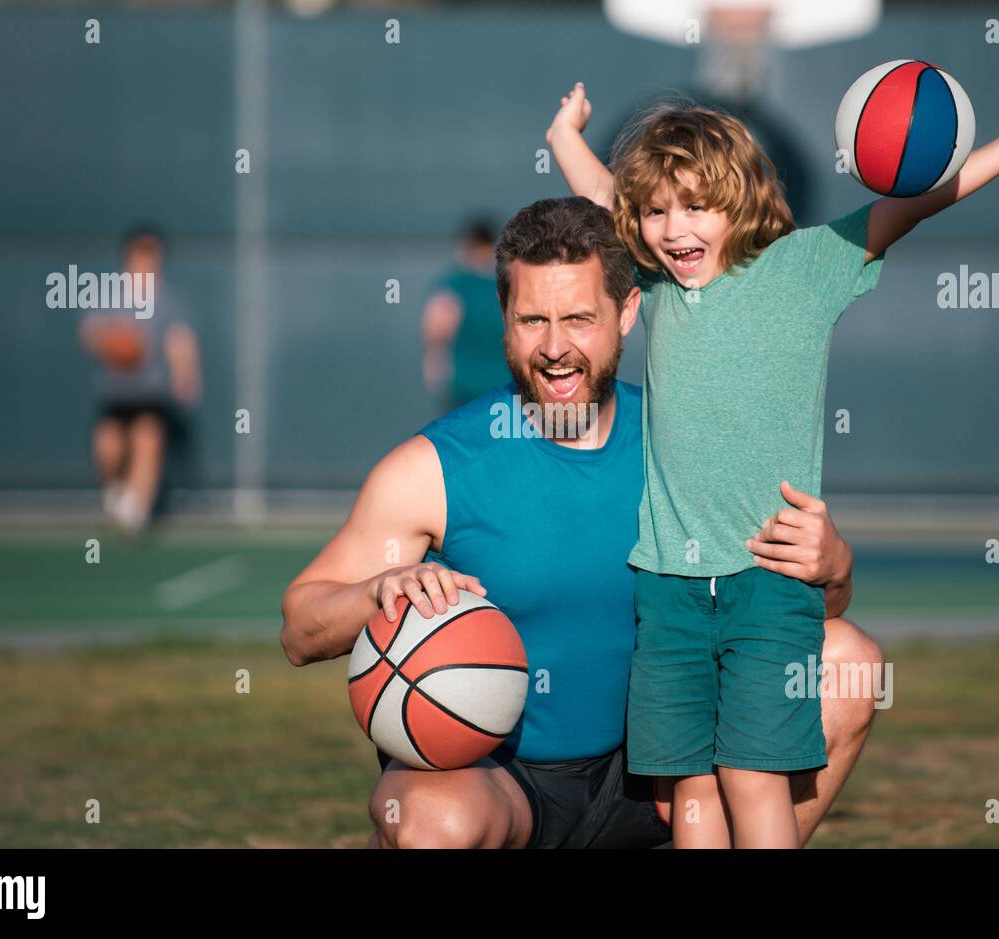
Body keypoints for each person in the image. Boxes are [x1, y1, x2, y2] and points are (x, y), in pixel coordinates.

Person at [545, 80, 999, 846]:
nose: (672, 228)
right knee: (686, 794)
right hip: (669, 587)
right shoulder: (656, 283)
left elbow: (916, 203)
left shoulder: (807, 266)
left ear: (741, 202)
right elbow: (602, 189)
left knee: (753, 775)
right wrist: (563, 132)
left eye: (694, 207)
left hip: (767, 583)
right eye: (656, 212)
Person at [281, 197, 882, 848]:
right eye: (531, 320)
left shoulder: (684, 436)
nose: (555, 347)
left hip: (663, 765)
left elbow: (801, 611)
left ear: (627, 313)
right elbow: (299, 628)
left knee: (850, 663)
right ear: (505, 322)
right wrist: (380, 588)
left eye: (578, 318)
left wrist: (834, 566)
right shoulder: (434, 467)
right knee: (429, 819)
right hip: (502, 781)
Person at [79, 226, 202, 535]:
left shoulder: (167, 300)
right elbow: (89, 332)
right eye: (141, 254)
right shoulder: (109, 295)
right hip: (117, 393)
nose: (147, 261)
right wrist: (114, 341)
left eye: (153, 255)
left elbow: (179, 339)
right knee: (108, 446)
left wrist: (185, 373)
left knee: (147, 439)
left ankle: (134, 512)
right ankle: (114, 494)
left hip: (150, 393)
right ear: (128, 256)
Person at [421, 218, 511, 408]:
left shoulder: (456, 285)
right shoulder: (509, 285)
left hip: (466, 390)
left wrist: (434, 364)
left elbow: (436, 331)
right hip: (506, 390)